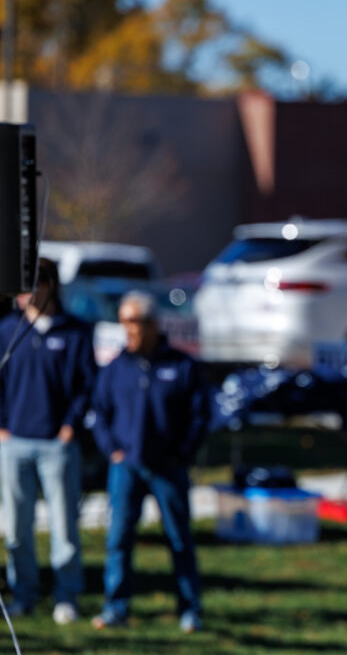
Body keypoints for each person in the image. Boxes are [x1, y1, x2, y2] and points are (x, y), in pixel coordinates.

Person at [87, 290, 209, 633]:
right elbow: (100, 413)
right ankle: (116, 609)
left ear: (154, 324)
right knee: (119, 539)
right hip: (126, 466)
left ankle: (190, 610)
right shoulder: (115, 368)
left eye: (135, 322)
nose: (129, 330)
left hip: (168, 467)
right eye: (124, 322)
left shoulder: (182, 366)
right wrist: (112, 449)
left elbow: (200, 415)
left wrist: (183, 452)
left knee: (179, 539)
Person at [0, 258, 96, 624]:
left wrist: (70, 426)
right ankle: (23, 595)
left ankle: (66, 596)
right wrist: (2, 426)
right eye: (21, 286)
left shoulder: (75, 332)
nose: (25, 294)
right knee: (18, 526)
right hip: (14, 443)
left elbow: (87, 385)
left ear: (50, 286)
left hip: (57, 443)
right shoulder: (8, 330)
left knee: (64, 525)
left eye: (33, 284)